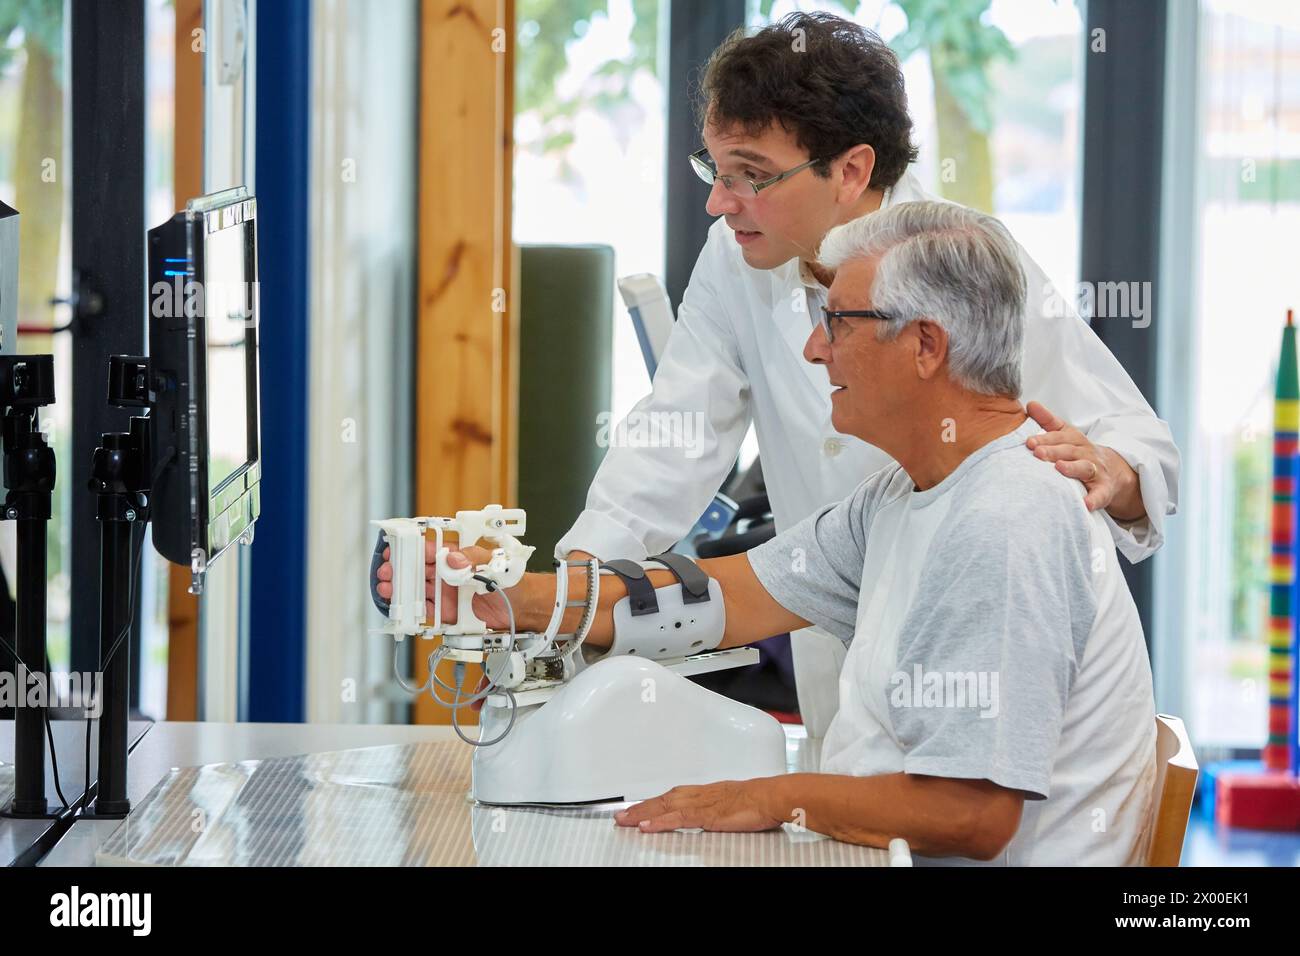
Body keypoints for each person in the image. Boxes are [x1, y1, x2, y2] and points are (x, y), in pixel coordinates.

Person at [383, 201, 1157, 865]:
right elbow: (724, 597)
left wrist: (771, 797)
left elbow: (971, 817)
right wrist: (516, 601)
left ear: (926, 345)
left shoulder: (1005, 518)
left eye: (839, 324)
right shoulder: (904, 494)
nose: (815, 349)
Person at [553, 12, 1177, 736]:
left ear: (851, 170)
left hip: (990, 683)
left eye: (750, 175)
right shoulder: (737, 258)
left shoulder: (961, 262)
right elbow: (670, 442)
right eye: (715, 171)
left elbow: (1135, 442)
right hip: (838, 662)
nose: (718, 204)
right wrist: (569, 598)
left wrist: (1114, 470)